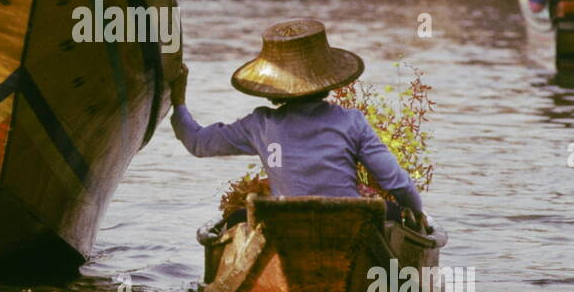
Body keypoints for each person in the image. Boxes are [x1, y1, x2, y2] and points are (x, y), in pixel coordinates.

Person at [169, 18, 428, 226]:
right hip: (349, 221)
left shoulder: (260, 123)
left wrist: (178, 100)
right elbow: (397, 184)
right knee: (394, 212)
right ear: (326, 81)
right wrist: (415, 213)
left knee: (235, 219)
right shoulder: (352, 121)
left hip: (286, 223)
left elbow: (197, 143)